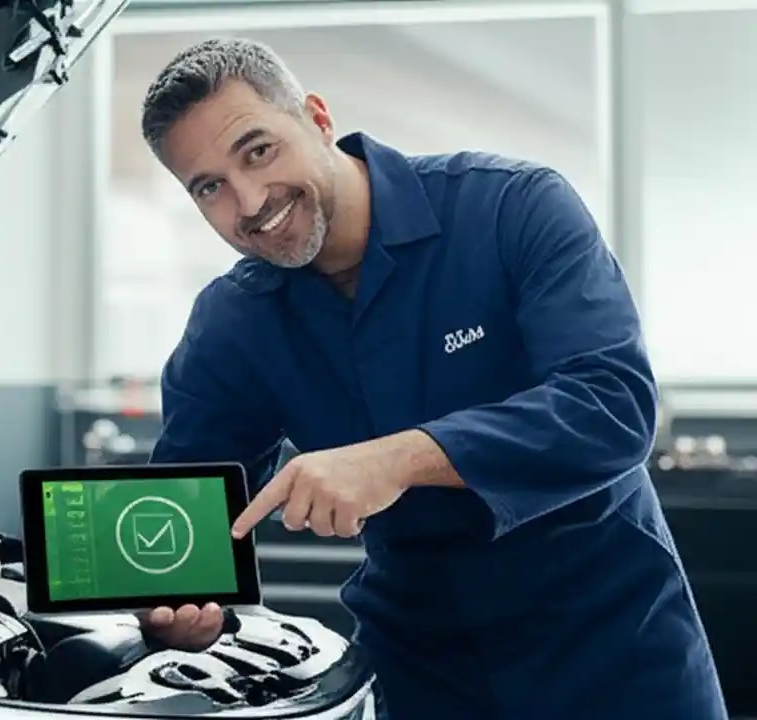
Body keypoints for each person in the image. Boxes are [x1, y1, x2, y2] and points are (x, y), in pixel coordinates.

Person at [132, 37, 727, 719]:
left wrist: (399, 459)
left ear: (318, 119)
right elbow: (185, 518)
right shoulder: (232, 323)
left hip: (612, 651)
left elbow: (612, 407)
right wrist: (181, 609)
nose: (249, 201)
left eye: (258, 150)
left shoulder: (513, 207)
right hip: (422, 671)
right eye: (208, 187)